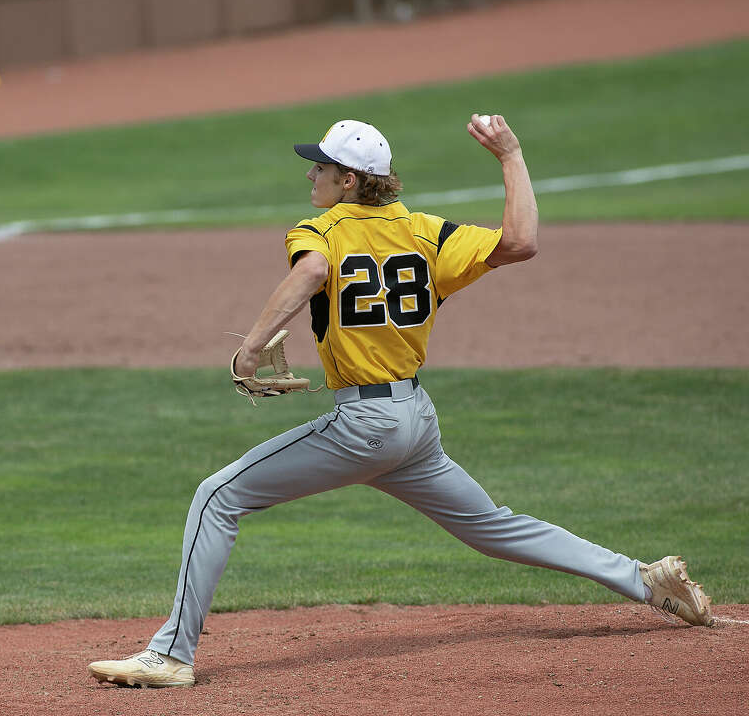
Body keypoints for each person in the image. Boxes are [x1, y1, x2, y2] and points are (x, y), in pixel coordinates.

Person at [87, 116, 715, 689]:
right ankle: (645, 579)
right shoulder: (428, 233)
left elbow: (309, 274)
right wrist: (511, 155)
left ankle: (171, 655)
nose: (312, 175)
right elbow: (521, 241)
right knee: (493, 526)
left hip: (364, 425)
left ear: (350, 180)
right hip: (414, 423)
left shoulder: (321, 228)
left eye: (322, 168)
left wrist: (250, 349)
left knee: (218, 496)